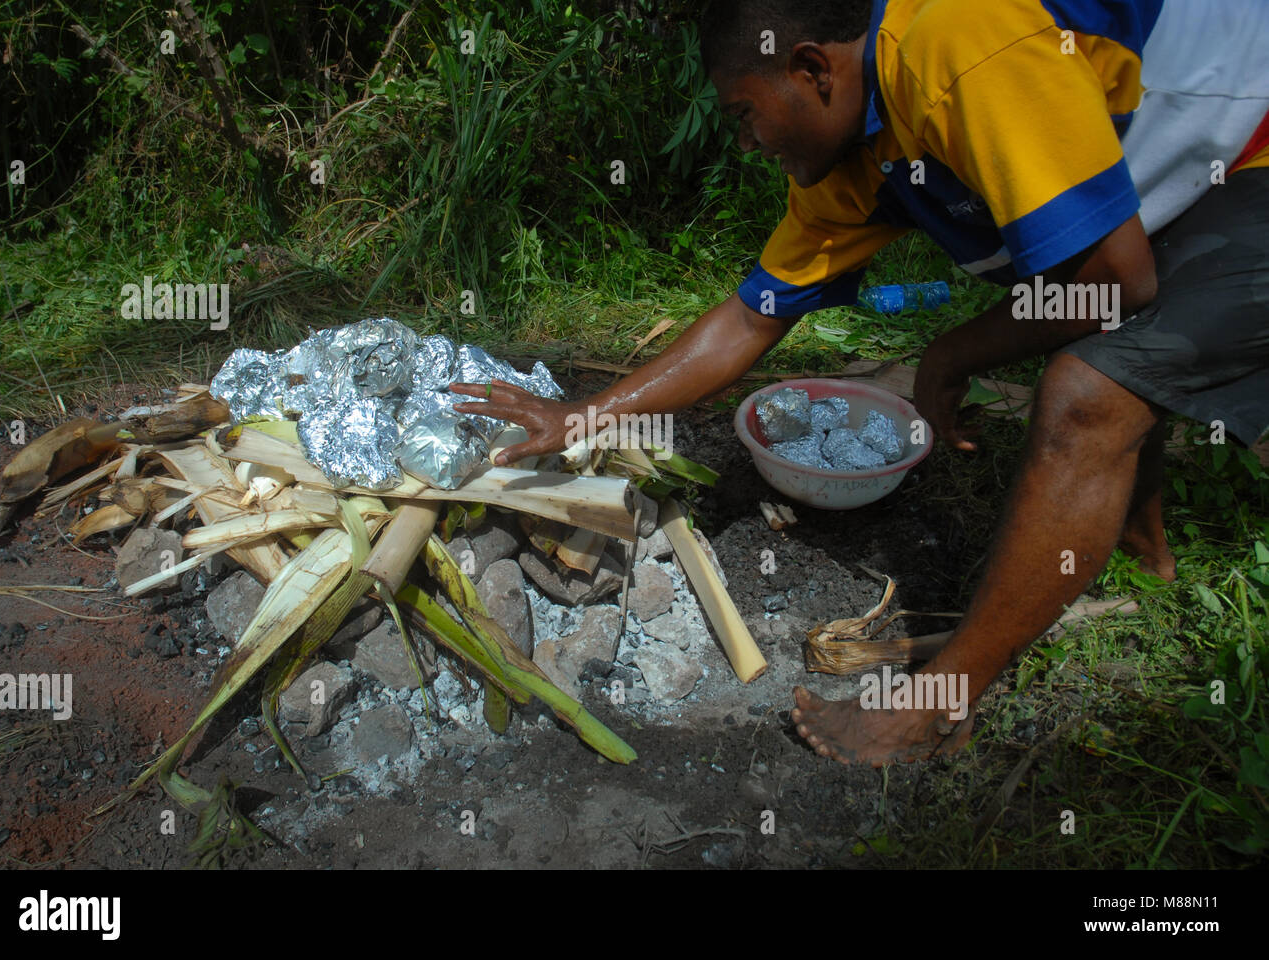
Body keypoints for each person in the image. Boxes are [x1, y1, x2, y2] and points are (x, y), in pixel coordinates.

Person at [451, 0, 1269, 765]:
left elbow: (1114, 279)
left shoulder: (960, 47)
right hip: (1177, 175)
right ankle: (1138, 551)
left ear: (811, 68)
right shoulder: (854, 162)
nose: (746, 143)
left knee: (1087, 394)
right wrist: (584, 416)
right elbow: (749, 321)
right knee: (1127, 355)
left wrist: (953, 354)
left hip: (1250, 136)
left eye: (745, 114)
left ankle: (940, 703)